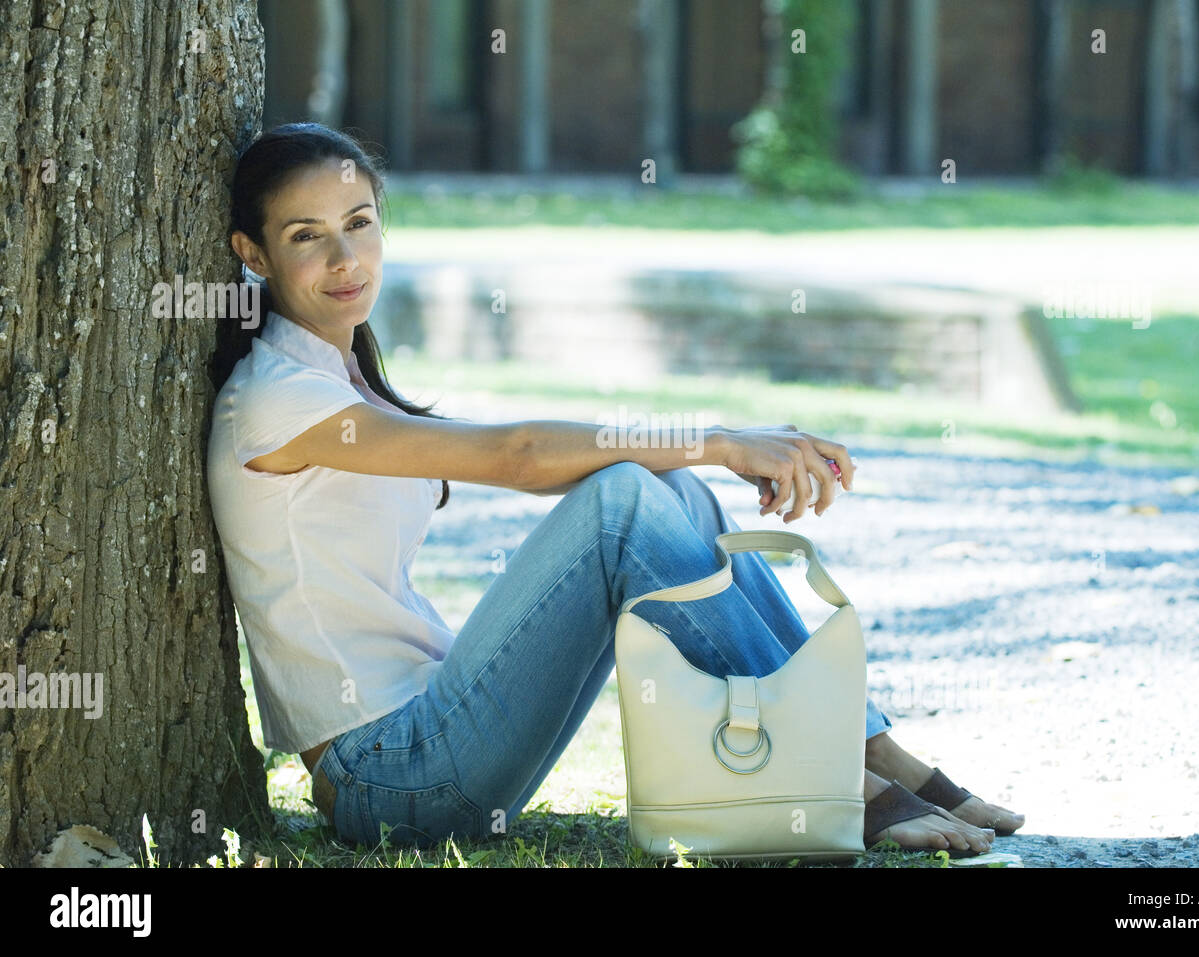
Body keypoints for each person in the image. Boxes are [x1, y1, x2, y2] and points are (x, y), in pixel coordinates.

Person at [208, 122, 1023, 862]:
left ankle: (872, 749)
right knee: (624, 503)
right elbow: (520, 455)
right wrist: (724, 440)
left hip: (435, 733)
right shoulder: (277, 395)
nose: (345, 259)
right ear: (254, 253)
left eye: (358, 222)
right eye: (306, 237)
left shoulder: (341, 378)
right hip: (391, 780)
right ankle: (837, 769)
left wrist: (697, 460)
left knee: (671, 490)